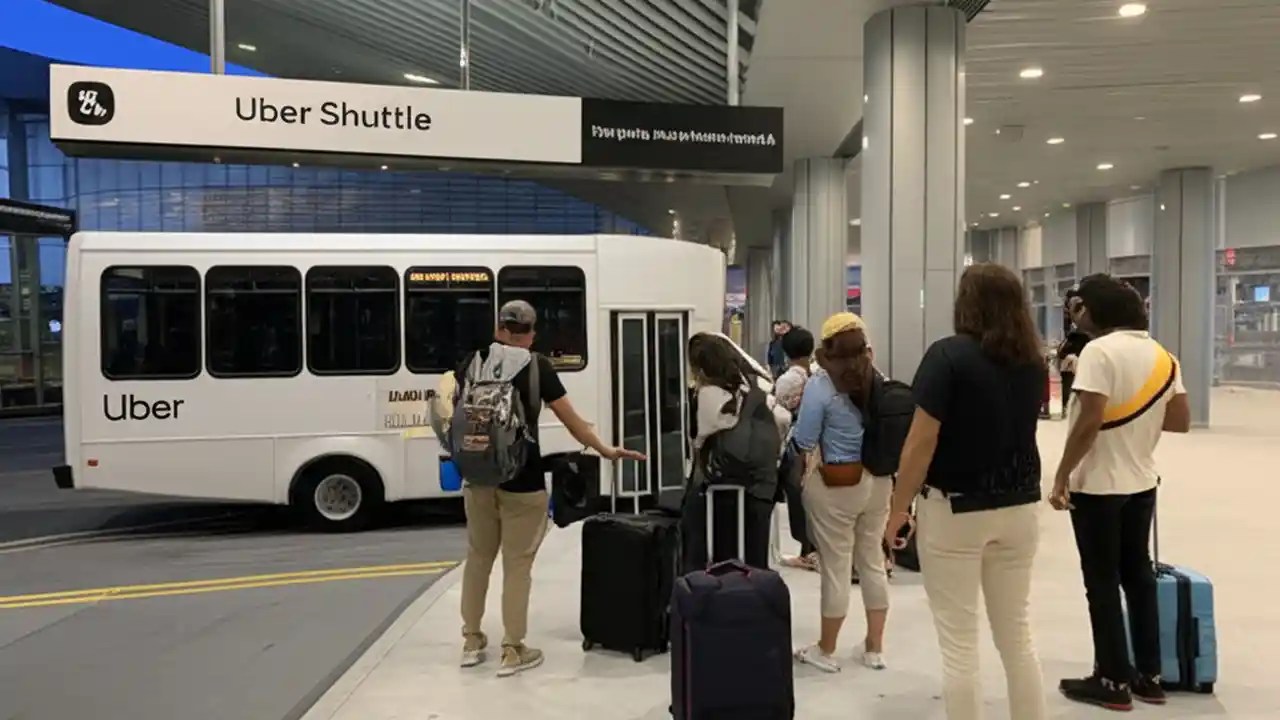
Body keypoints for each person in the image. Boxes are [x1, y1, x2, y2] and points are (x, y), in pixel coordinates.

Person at [884, 264, 1048, 720]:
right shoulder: (1032, 361)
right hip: (1020, 506)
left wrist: (898, 508)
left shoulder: (947, 356)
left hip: (955, 509)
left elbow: (920, 443)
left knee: (959, 645)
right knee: (1017, 636)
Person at [454, 300, 645, 677]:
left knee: (478, 559)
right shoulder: (537, 366)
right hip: (523, 481)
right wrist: (606, 450)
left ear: (499, 329)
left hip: (477, 479)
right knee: (517, 565)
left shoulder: (471, 362)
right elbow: (572, 421)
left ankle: (472, 641)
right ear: (531, 333)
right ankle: (513, 649)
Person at [1049, 274, 1191, 711]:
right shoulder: (1164, 356)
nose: (1075, 314)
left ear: (1094, 310)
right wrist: (1136, 424)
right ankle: (1149, 676)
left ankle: (1111, 679)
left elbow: (1089, 420)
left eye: (1079, 307)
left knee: (1102, 583)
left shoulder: (1099, 352)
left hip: (1098, 485)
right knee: (1138, 577)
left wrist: (1061, 476)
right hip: (1142, 481)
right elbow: (1179, 420)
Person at [792, 312, 892, 674]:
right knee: (872, 561)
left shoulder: (822, 385)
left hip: (838, 483)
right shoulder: (877, 377)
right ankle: (874, 648)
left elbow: (804, 440)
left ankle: (827, 649)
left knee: (836, 568)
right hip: (879, 482)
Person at [684, 331, 790, 573]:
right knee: (754, 557)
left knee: (714, 549)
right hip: (762, 483)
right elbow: (783, 420)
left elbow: (699, 439)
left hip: (723, 483)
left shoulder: (710, 393)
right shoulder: (754, 388)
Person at [772, 326, 819, 571]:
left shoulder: (787, 380)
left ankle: (807, 550)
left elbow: (779, 415)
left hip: (795, 444)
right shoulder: (818, 374)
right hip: (816, 445)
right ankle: (812, 548)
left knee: (796, 496)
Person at [1056, 289, 1091, 419]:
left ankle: (1069, 406)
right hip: (1073, 354)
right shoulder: (1070, 324)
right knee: (1068, 381)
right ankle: (1067, 406)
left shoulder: (1081, 330)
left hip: (1077, 352)